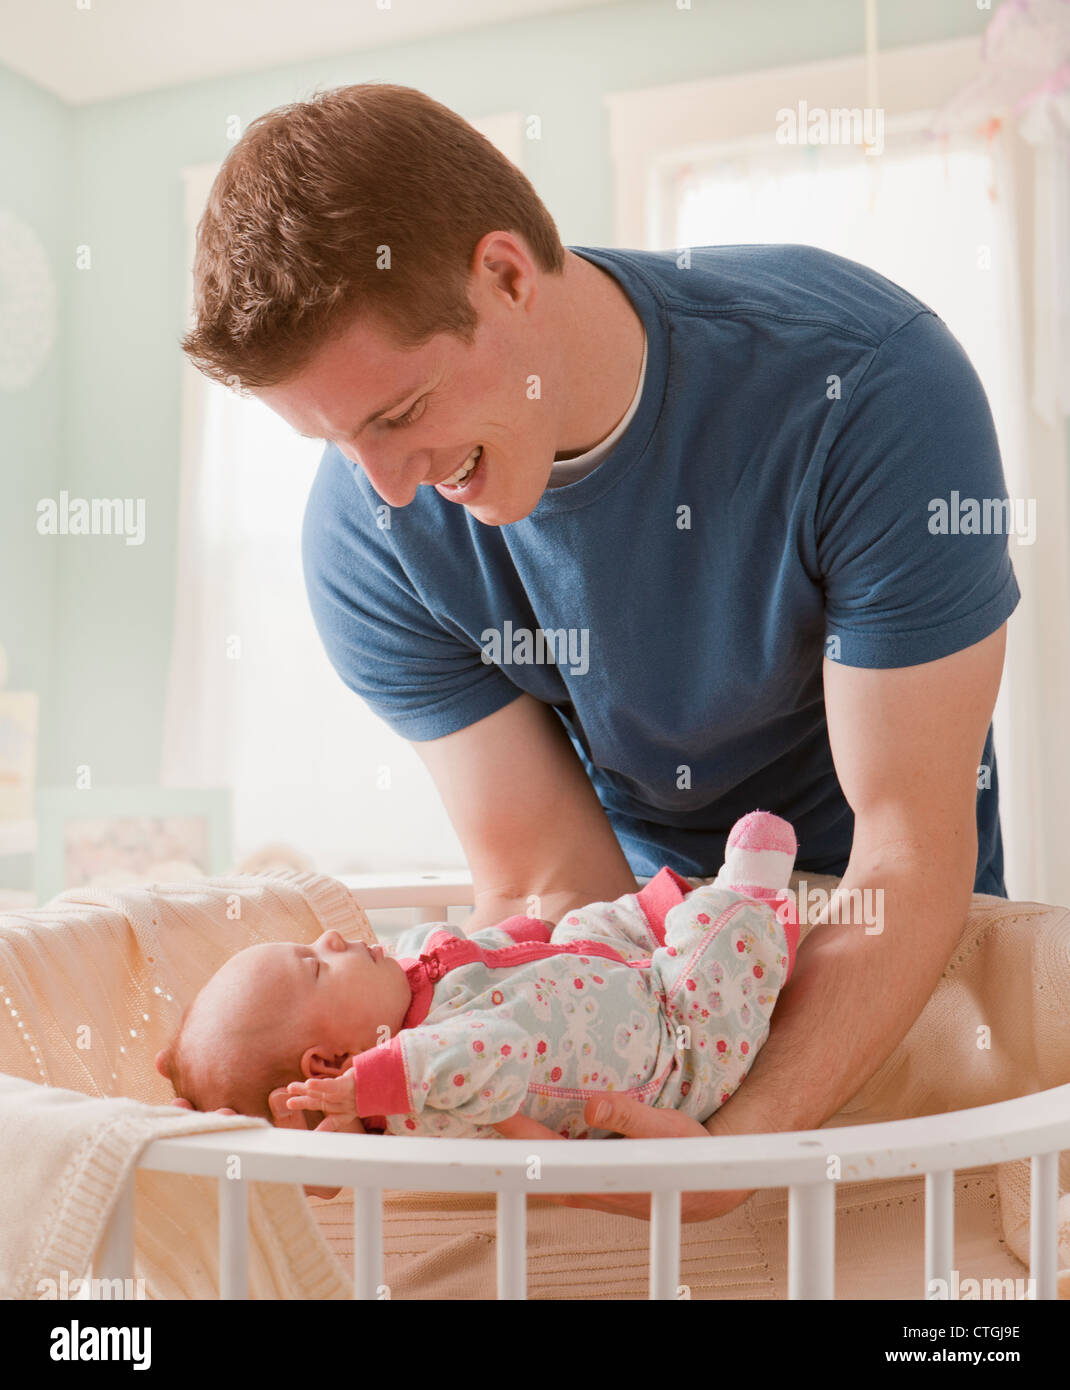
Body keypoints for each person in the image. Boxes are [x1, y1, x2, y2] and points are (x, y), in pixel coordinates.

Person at [178, 83, 1019, 1222]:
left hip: (886, 966)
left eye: (398, 412)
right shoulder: (362, 538)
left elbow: (906, 861)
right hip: (637, 965)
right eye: (333, 440)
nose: (384, 485)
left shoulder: (870, 390)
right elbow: (546, 885)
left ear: (507, 276)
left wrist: (735, 1150)